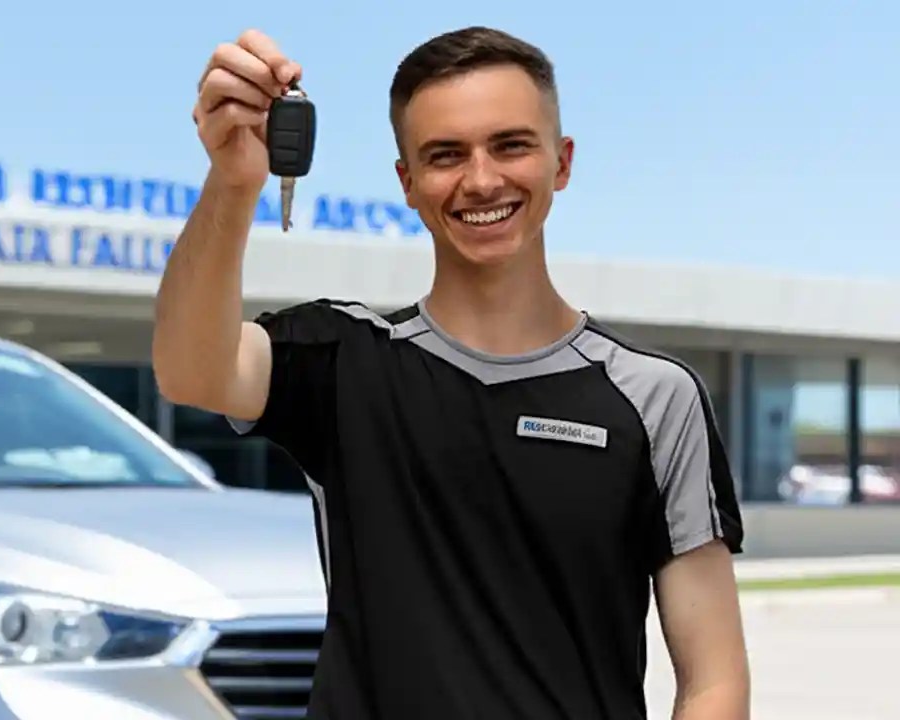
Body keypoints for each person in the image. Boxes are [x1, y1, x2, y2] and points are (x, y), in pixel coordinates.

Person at [153, 25, 750, 720]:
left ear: (562, 162)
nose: (482, 179)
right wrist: (233, 183)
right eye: (445, 155)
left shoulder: (655, 398)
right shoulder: (341, 360)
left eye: (511, 144)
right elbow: (191, 372)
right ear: (407, 183)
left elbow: (714, 681)